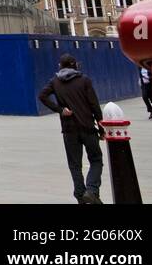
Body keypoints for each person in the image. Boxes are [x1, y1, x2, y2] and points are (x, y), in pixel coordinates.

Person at [38, 53, 105, 204]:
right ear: (75, 65)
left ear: (60, 66)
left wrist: (60, 110)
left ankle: (81, 196)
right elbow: (94, 105)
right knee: (96, 160)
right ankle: (92, 190)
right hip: (88, 127)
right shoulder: (84, 80)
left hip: (69, 129)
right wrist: (101, 129)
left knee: (75, 165)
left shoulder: (55, 82)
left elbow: (42, 96)